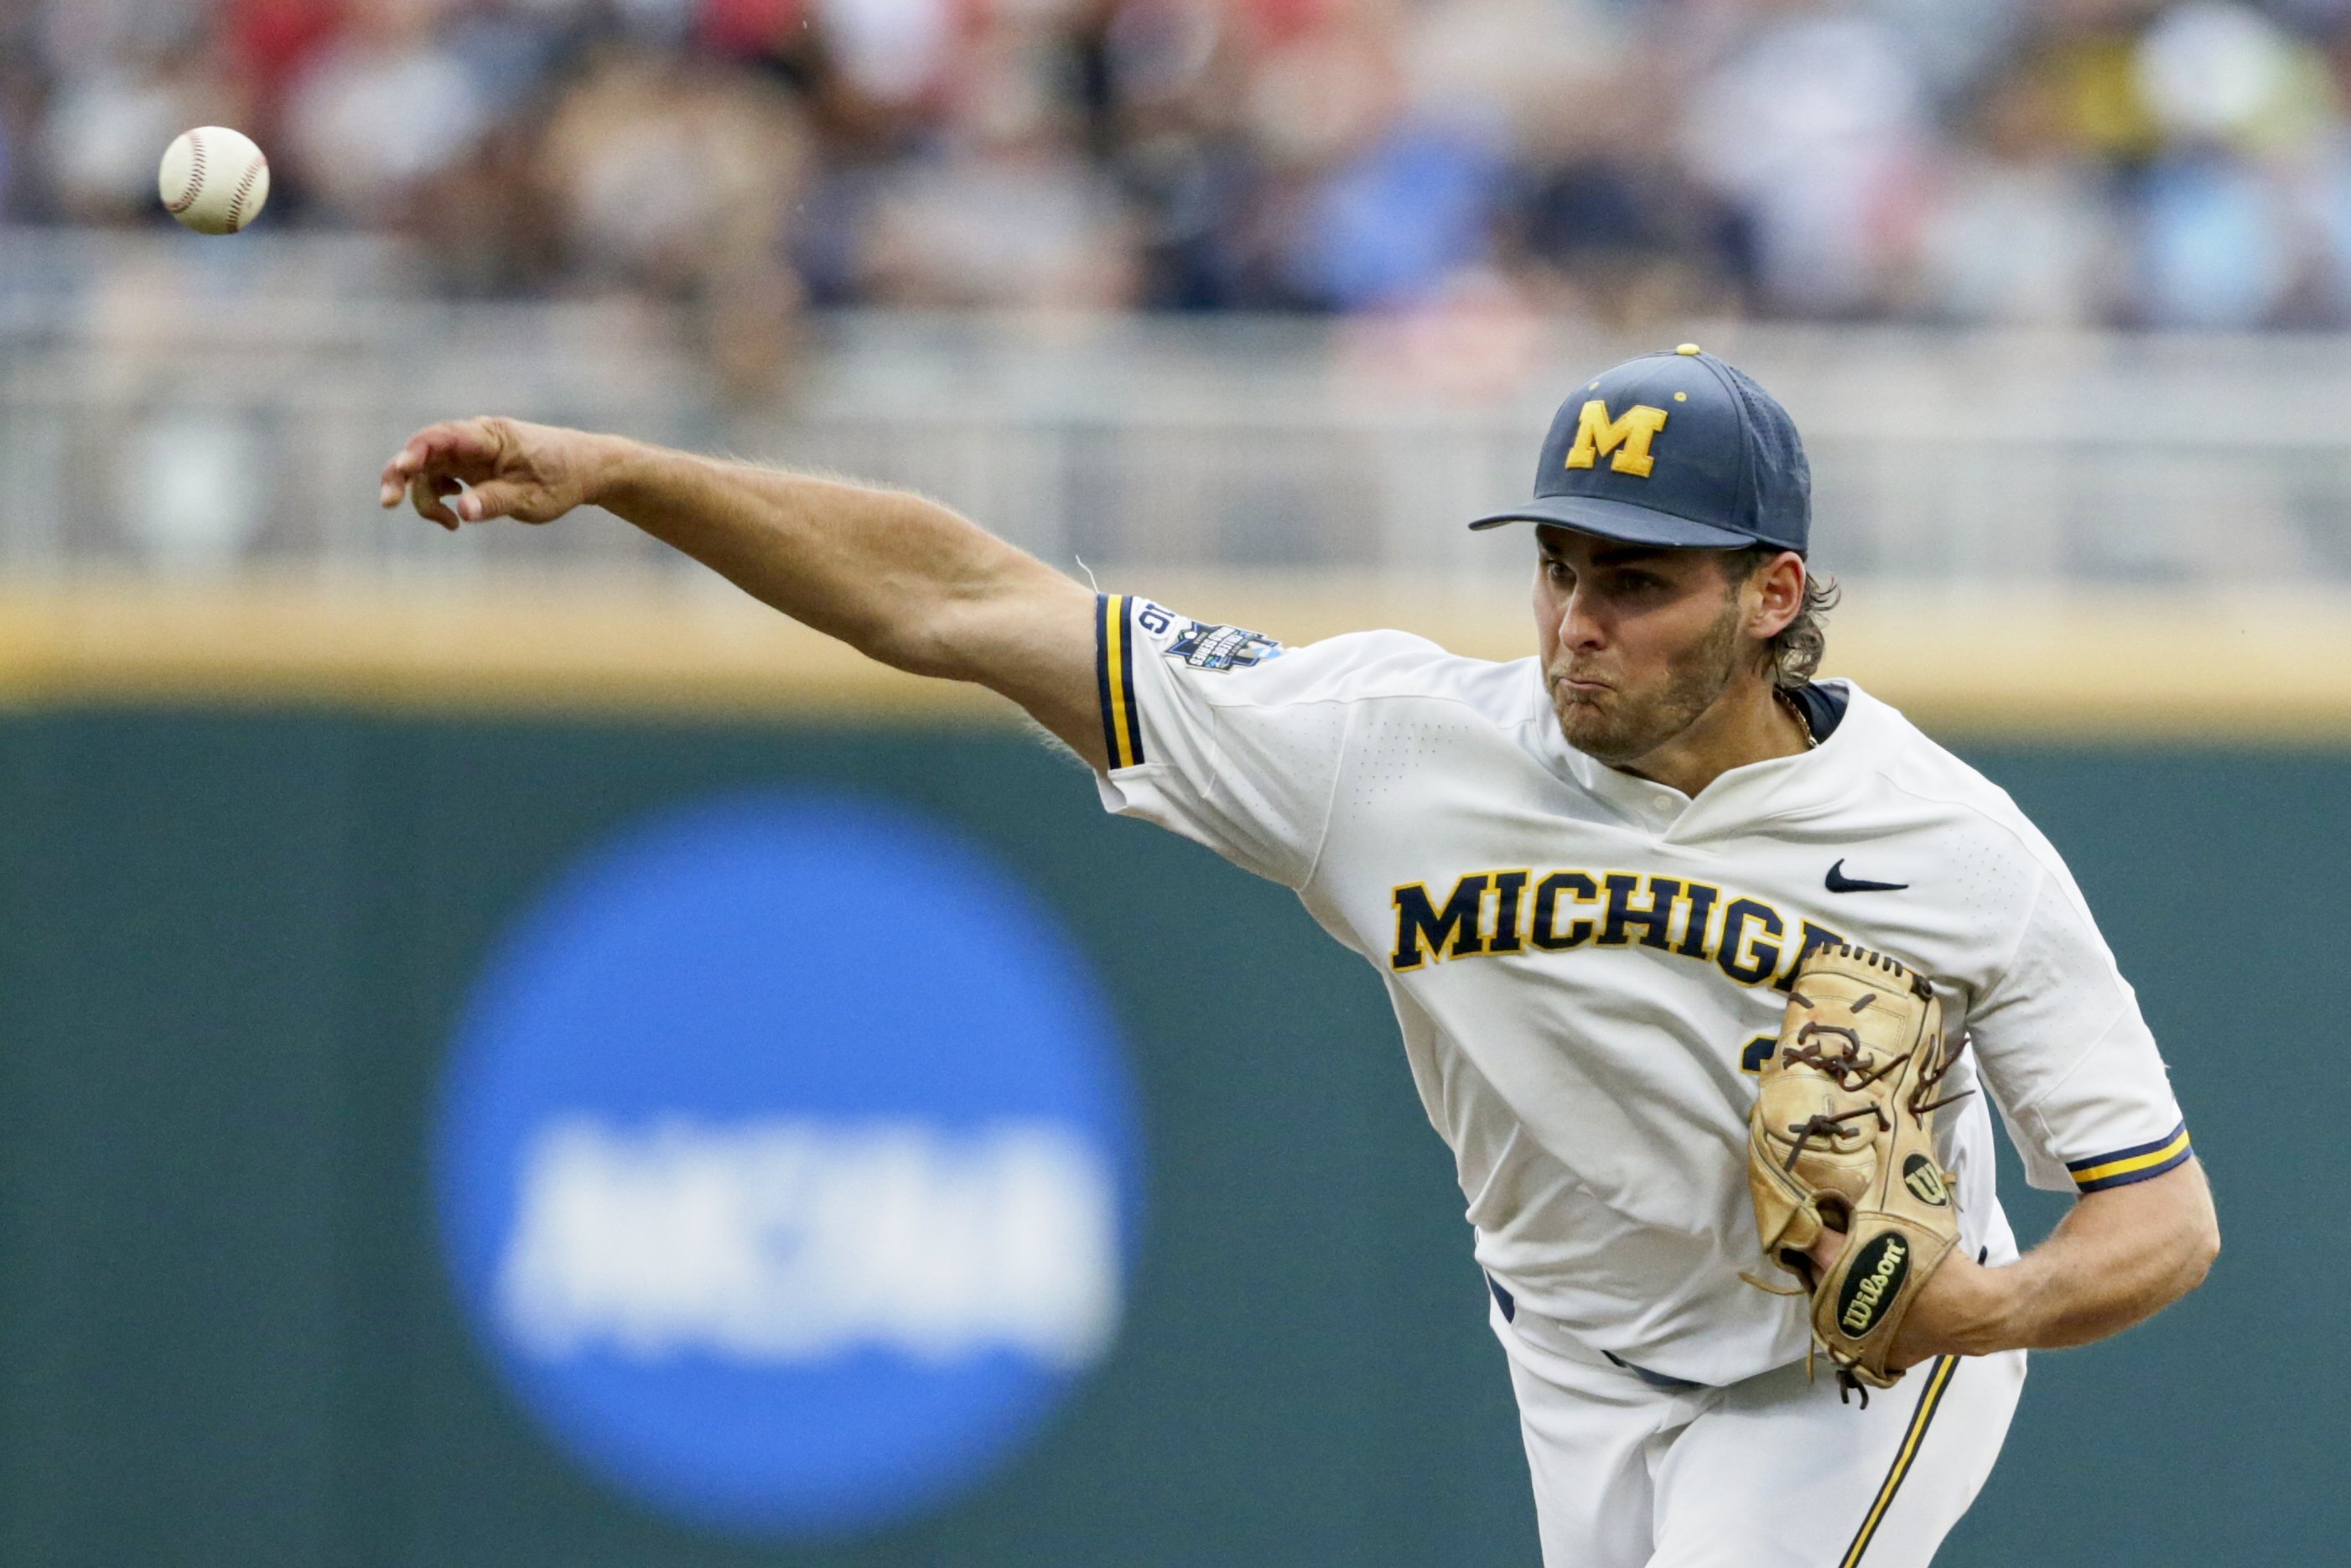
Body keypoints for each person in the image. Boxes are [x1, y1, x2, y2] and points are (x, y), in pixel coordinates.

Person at [380, 343, 2219, 1566]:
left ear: (1773, 594)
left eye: (1637, 581)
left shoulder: (1951, 848)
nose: (1578, 621)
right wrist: (617, 470)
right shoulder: (1386, 747)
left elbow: (2159, 1215)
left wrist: (1963, 1309)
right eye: (1559, 565)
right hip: (1575, 1352)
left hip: (1846, 1369)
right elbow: (963, 598)